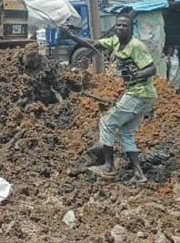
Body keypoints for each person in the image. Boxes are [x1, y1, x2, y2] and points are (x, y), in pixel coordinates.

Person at [61, 13, 158, 183]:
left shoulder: (136, 46)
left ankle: (108, 166)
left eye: (125, 26)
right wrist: (71, 36)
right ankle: (138, 174)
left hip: (139, 93)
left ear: (131, 29)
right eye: (118, 25)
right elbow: (93, 43)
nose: (120, 28)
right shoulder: (115, 41)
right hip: (143, 95)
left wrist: (136, 75)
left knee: (106, 122)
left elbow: (152, 69)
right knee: (126, 133)